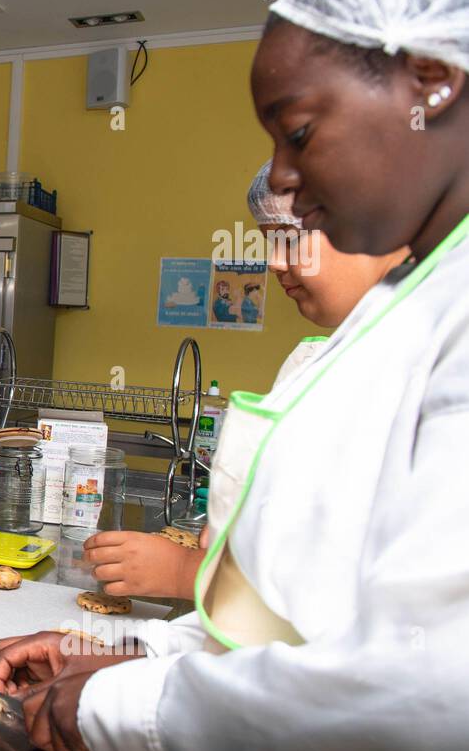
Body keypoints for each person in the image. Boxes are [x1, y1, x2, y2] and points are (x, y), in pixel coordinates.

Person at [0, 0, 469, 751]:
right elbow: (288, 637)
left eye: (300, 134)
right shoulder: (392, 322)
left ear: (430, 83)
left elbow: (425, 697)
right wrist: (119, 664)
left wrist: (112, 709)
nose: (283, 176)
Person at [84, 160, 409, 600]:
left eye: (290, 240)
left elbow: (361, 590)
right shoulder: (322, 362)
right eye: (268, 243)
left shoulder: (419, 379)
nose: (274, 263)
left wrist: (192, 574)